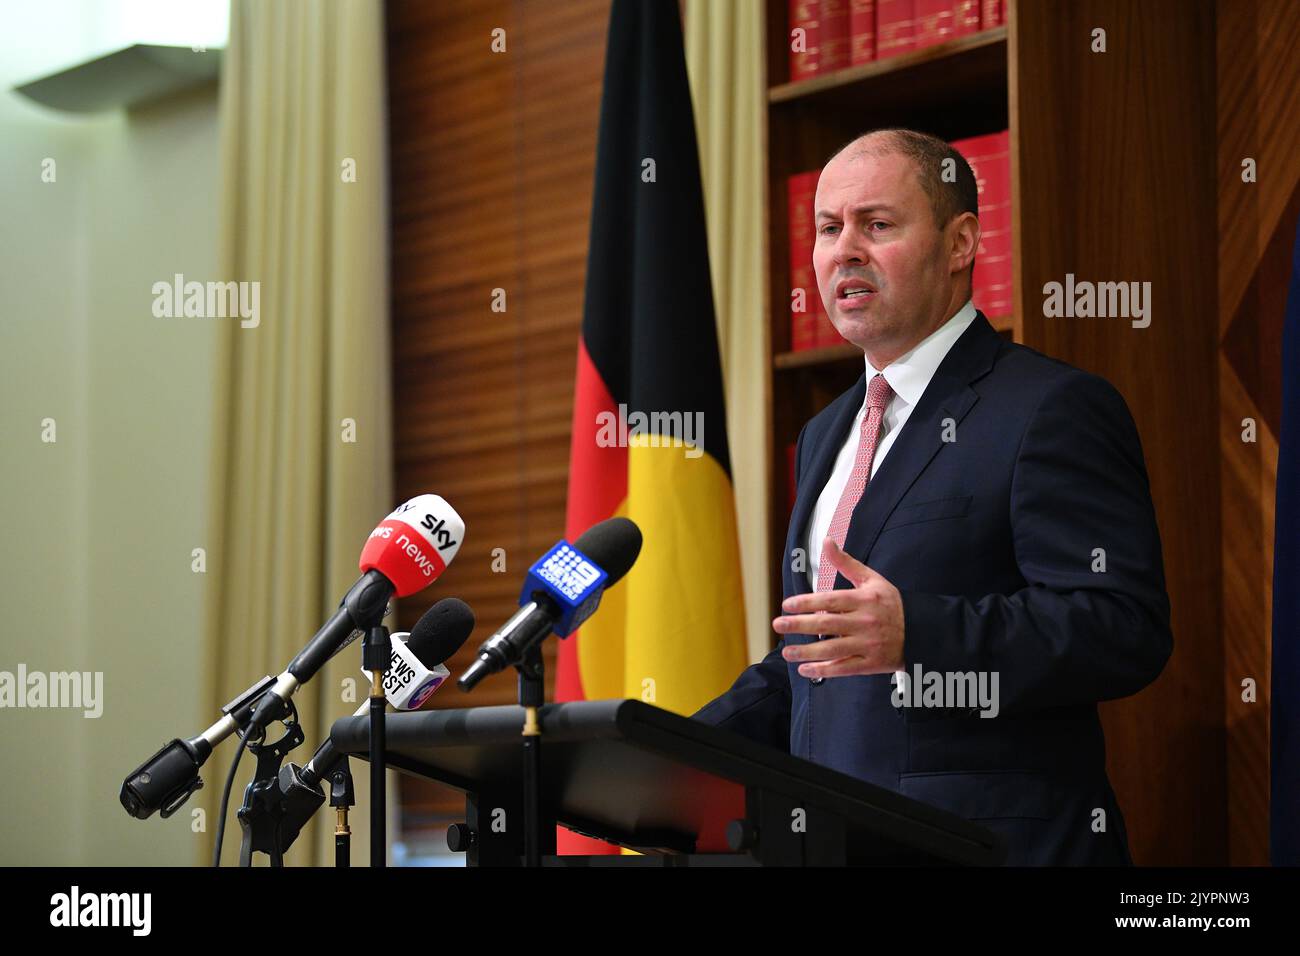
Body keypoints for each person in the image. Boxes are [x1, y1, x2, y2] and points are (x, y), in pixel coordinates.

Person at [692, 128, 1172, 865]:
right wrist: (656, 745)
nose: (844, 251)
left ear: (960, 244)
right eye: (828, 229)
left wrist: (922, 635)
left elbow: (1122, 626)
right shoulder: (825, 434)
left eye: (876, 226)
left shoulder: (1049, 408)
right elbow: (818, 656)